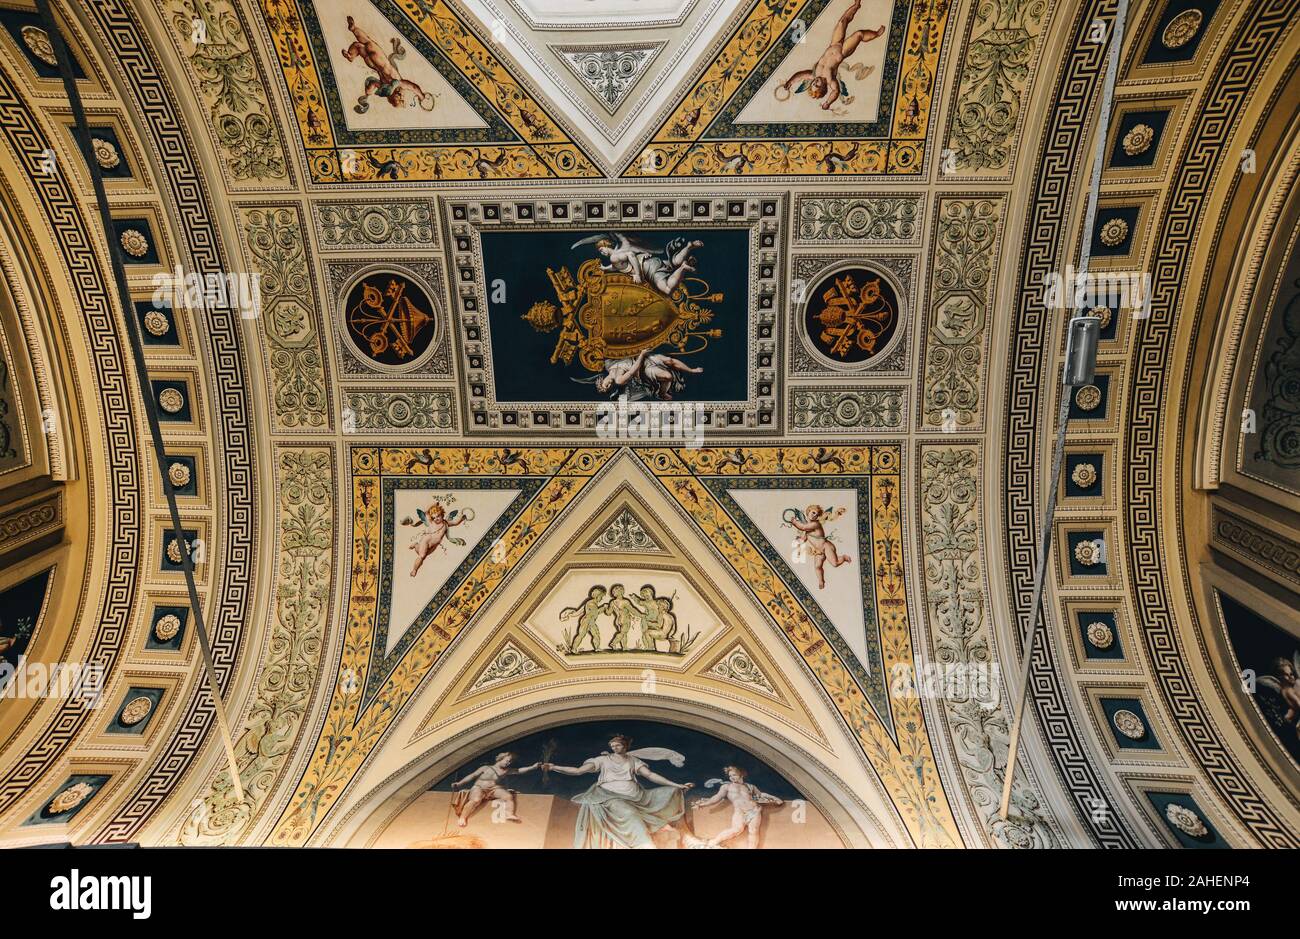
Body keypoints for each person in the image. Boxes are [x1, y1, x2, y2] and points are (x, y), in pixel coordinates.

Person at [540, 735, 693, 848]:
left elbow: (650, 775)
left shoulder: (633, 761)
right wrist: (555, 767)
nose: (614, 748)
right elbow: (578, 771)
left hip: (638, 797)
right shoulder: (602, 760)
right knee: (630, 814)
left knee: (666, 794)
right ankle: (644, 844)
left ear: (625, 746)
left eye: (617, 745)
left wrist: (676, 784)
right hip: (609, 796)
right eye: (612, 746)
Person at [778, 0, 885, 111]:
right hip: (843, 51)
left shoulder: (814, 75)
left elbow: (800, 75)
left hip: (834, 44)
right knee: (859, 34)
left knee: (842, 22)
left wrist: (789, 82)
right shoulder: (830, 80)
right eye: (817, 85)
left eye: (813, 83)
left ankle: (856, 5)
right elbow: (836, 92)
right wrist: (827, 103)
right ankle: (876, 34)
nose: (815, 82)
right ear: (824, 87)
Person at [692, 765, 783, 848]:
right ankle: (713, 842)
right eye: (730, 776)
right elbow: (716, 797)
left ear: (741, 775)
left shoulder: (750, 786)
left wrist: (775, 798)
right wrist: (702, 804)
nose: (732, 777)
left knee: (753, 831)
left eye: (734, 775)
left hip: (754, 811)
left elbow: (761, 794)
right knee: (736, 829)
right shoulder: (727, 787)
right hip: (740, 812)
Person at [448, 752, 538, 827]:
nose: (508, 763)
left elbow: (519, 770)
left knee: (508, 796)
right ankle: (463, 817)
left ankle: (509, 814)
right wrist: (459, 783)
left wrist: (533, 767)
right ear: (500, 759)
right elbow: (472, 775)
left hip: (494, 789)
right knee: (475, 800)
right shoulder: (486, 768)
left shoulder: (505, 771)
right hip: (479, 787)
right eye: (507, 761)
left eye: (510, 762)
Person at [787, 504, 851, 588]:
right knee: (817, 567)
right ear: (808, 511)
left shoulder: (815, 524)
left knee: (835, 564)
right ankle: (821, 581)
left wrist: (795, 522)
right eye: (813, 513)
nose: (814, 516)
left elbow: (803, 527)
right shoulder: (807, 529)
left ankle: (844, 557)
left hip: (826, 547)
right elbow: (803, 538)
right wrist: (799, 540)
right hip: (819, 551)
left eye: (816, 515)